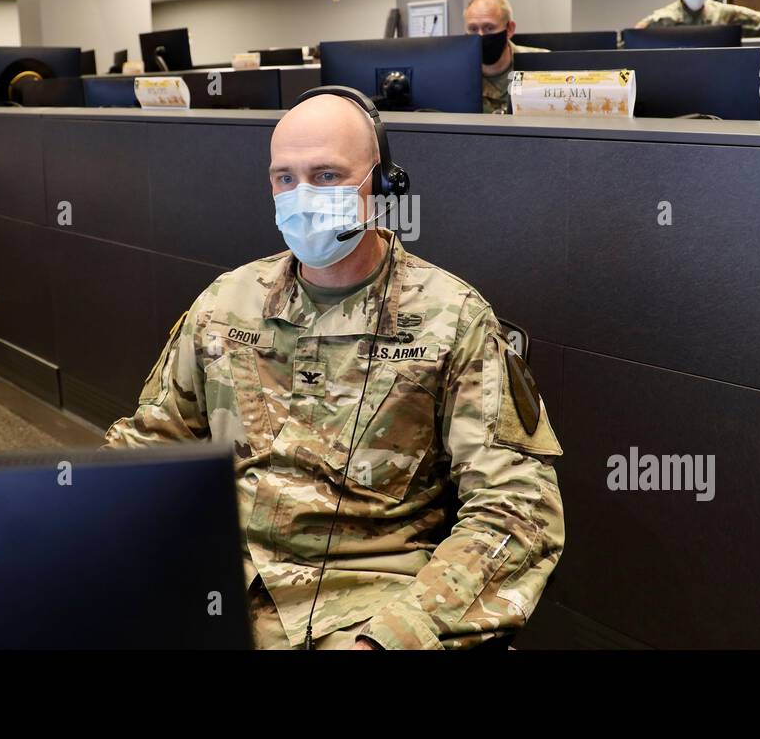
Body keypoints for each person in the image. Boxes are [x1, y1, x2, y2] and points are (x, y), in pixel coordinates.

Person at [103, 89, 565, 650]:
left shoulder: (452, 319)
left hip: (369, 606)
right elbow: (149, 443)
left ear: (384, 186)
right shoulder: (226, 304)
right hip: (223, 582)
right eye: (284, 178)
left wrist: (394, 637)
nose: (302, 196)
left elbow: (516, 512)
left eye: (326, 175)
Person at [463, 0, 548, 115]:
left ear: (509, 29)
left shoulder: (542, 65)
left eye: (489, 28)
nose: (480, 35)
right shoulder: (457, 73)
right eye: (473, 29)